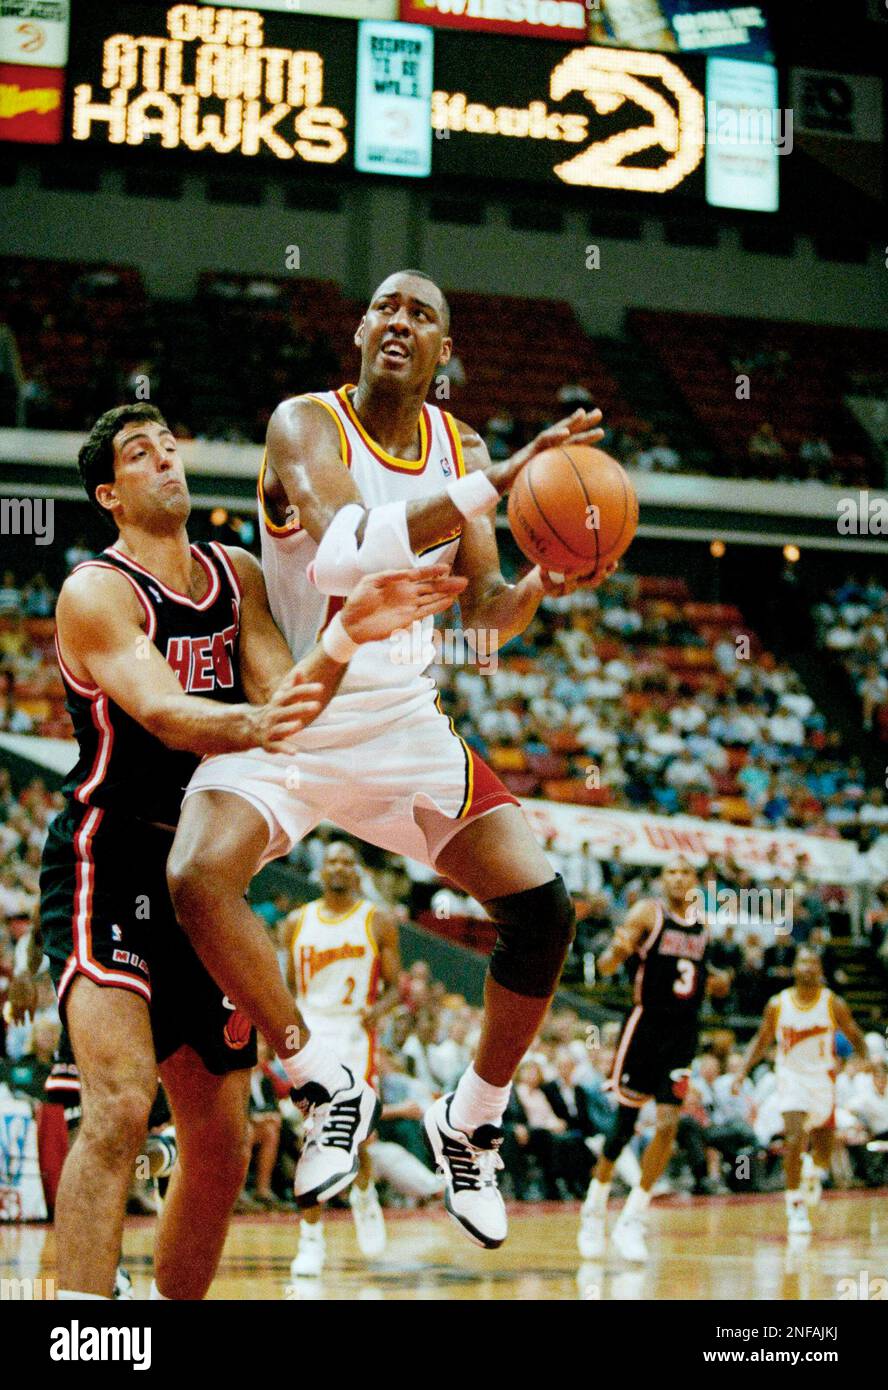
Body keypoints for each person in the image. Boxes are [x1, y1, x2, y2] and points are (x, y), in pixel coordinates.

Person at [166, 269, 611, 1250]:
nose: (400, 321)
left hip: (405, 723)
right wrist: (494, 483)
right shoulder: (304, 424)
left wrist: (548, 569)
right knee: (198, 875)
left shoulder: (463, 448)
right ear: (361, 330)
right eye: (386, 307)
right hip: (298, 714)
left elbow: (487, 619)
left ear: (444, 352)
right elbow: (349, 549)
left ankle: (474, 1120)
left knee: (542, 911)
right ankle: (319, 1076)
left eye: (423, 313)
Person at [35, 402, 460, 1301]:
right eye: (140, 455)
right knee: (116, 1107)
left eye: (169, 444)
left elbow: (285, 697)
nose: (164, 459)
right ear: (110, 493)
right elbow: (164, 710)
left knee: (223, 1141)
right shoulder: (96, 590)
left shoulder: (234, 573)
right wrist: (257, 725)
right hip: (108, 862)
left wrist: (352, 631)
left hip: (203, 873)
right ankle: (76, 1328)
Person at [577, 856, 730, 1262]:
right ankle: (594, 1209)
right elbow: (613, 954)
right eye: (671, 872)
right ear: (663, 880)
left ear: (696, 881)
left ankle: (633, 1217)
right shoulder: (648, 912)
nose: (678, 879)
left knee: (667, 1123)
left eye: (685, 873)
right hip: (645, 1028)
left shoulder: (702, 922)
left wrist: (717, 980)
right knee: (624, 1125)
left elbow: (697, 970)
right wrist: (613, 954)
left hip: (683, 1033)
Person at [285, 840, 401, 1276]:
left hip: (354, 1030)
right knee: (312, 1134)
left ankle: (364, 1194)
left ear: (357, 872)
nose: (337, 867)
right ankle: (310, 1238)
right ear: (321, 869)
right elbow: (291, 989)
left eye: (346, 861)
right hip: (313, 1031)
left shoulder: (378, 920)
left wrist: (379, 1010)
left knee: (356, 1135)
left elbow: (394, 986)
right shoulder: (297, 921)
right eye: (330, 860)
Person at [735, 945, 868, 1236]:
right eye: (802, 962)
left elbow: (855, 1034)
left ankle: (813, 1174)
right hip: (791, 1076)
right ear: (794, 968)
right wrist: (742, 1070)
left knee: (823, 1148)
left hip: (822, 1078)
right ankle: (794, 1204)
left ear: (820, 970)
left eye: (813, 963)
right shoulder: (778, 1004)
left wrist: (869, 1061)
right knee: (795, 1137)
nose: (807, 967)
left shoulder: (832, 1003)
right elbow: (761, 1040)